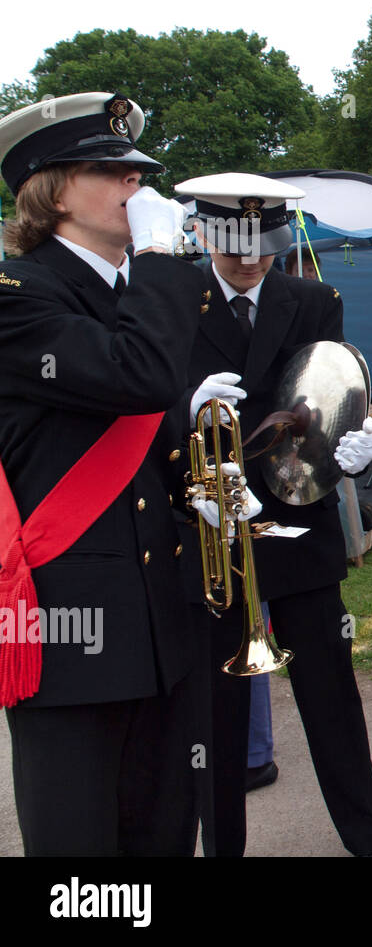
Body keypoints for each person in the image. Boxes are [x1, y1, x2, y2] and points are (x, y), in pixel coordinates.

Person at [0, 92, 206, 854]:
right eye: (112, 169)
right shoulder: (18, 295)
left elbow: (161, 442)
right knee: (80, 857)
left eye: (140, 169)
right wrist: (158, 262)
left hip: (159, 628)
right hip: (70, 636)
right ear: (51, 189)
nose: (136, 185)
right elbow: (139, 375)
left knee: (160, 839)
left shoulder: (137, 296)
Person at [174, 172, 372, 857]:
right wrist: (188, 449)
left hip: (297, 518)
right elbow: (147, 405)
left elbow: (324, 393)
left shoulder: (312, 299)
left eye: (261, 243)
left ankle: (368, 839)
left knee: (331, 695)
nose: (248, 259)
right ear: (204, 231)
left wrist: (351, 448)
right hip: (209, 527)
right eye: (233, 243)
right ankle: (222, 848)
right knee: (216, 711)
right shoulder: (176, 299)